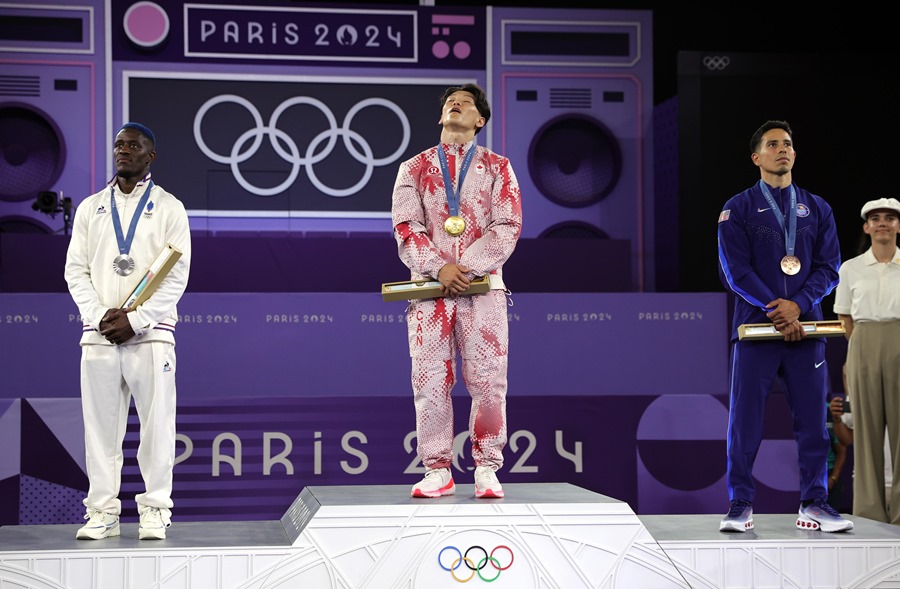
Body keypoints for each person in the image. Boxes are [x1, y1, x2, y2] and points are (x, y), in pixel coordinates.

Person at [716, 120, 852, 533]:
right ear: (756, 157)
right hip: (756, 331)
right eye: (773, 144)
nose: (783, 149)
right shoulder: (736, 208)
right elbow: (734, 270)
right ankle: (740, 504)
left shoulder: (818, 208)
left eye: (788, 144)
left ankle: (814, 502)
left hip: (805, 330)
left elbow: (830, 269)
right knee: (745, 421)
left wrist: (800, 306)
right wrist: (777, 309)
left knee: (813, 421)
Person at [391, 83, 522, 499]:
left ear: (479, 120)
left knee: (487, 380)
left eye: (465, 103)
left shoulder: (499, 167)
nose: (456, 105)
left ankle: (486, 466)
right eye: (451, 101)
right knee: (428, 380)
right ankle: (437, 468)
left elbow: (508, 227)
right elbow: (406, 227)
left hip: (482, 289)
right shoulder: (413, 167)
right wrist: (438, 267)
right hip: (429, 291)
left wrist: (462, 268)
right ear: (440, 116)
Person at [64, 123, 191, 540]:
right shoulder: (90, 208)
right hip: (98, 334)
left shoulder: (170, 207)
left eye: (133, 146)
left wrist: (136, 320)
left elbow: (177, 274)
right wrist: (100, 314)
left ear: (150, 156)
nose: (123, 151)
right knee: (99, 428)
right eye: (118, 145)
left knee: (156, 426)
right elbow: (76, 271)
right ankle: (102, 511)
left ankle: (155, 508)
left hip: (151, 336)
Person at [832, 197, 900, 523]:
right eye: (876, 218)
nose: (883, 223)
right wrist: (861, 349)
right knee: (867, 429)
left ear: (898, 225)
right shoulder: (851, 268)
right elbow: (845, 316)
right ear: (867, 227)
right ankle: (871, 513)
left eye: (889, 218)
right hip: (863, 341)